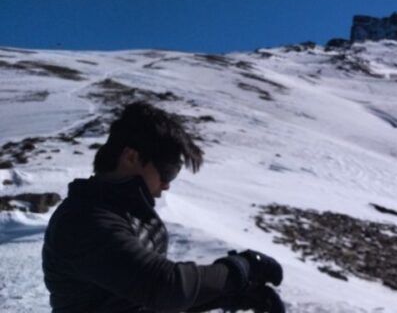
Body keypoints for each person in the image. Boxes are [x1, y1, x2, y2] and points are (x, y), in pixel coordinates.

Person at [42, 101, 285, 313]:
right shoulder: (84, 219)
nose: (167, 185)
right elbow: (163, 287)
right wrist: (240, 269)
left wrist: (225, 295)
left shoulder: (123, 213)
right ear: (131, 157)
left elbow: (141, 298)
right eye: (167, 171)